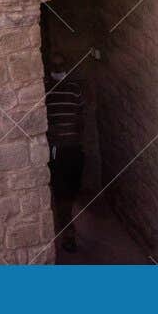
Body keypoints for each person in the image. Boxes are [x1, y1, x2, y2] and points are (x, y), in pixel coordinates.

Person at [46, 56, 85, 253]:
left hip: (61, 149)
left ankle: (65, 226)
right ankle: (68, 233)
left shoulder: (47, 91)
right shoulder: (74, 89)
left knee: (64, 190)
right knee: (66, 191)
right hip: (69, 148)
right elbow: (81, 117)